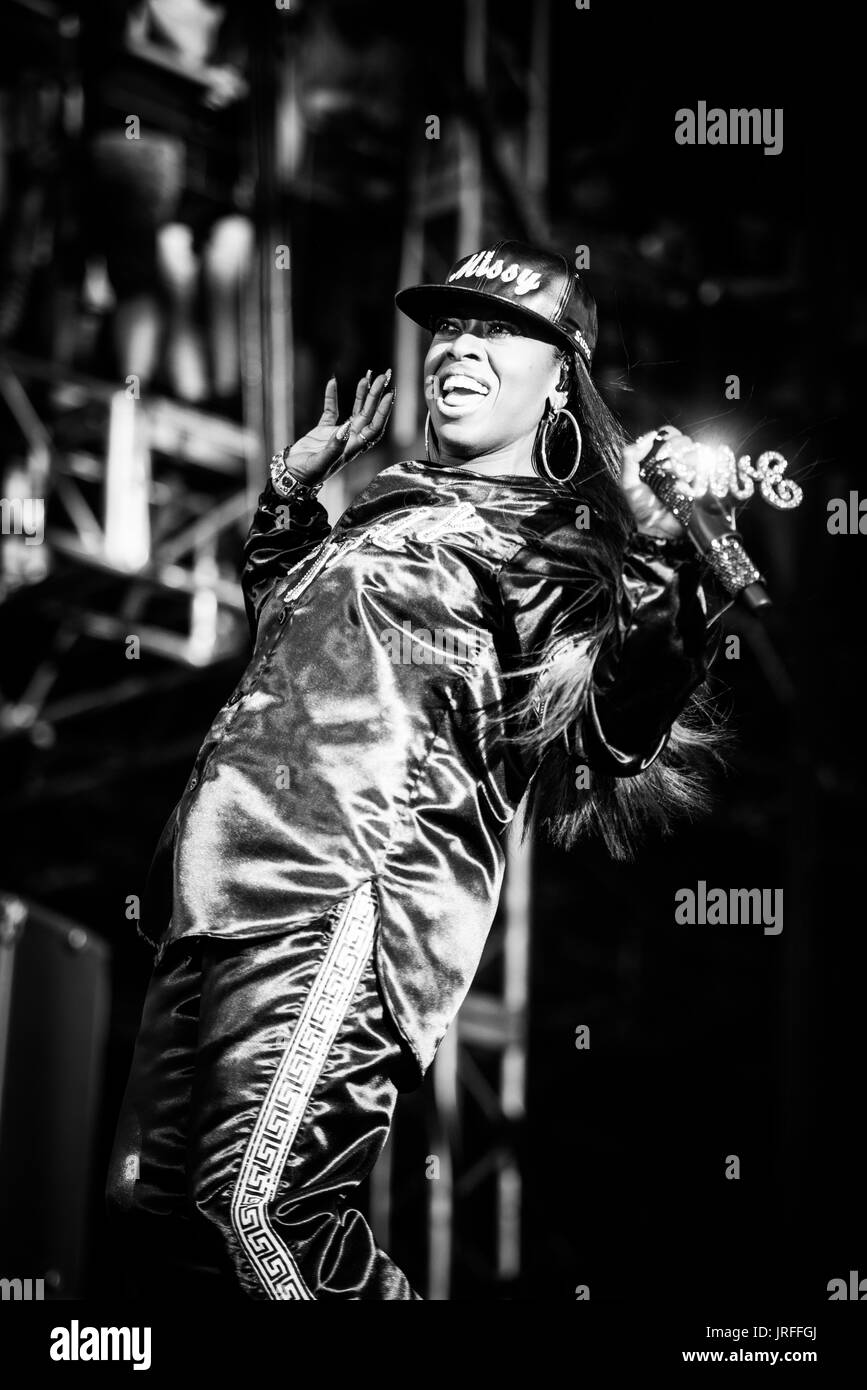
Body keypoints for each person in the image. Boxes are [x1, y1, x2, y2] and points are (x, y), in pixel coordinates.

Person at [106, 240, 733, 1300]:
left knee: (267, 1217)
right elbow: (298, 650)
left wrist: (672, 555)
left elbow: (619, 722)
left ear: (561, 378)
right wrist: (290, 500)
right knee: (156, 1218)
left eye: (497, 330)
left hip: (342, 895)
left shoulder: (554, 547)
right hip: (213, 897)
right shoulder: (385, 510)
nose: (458, 345)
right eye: (447, 326)